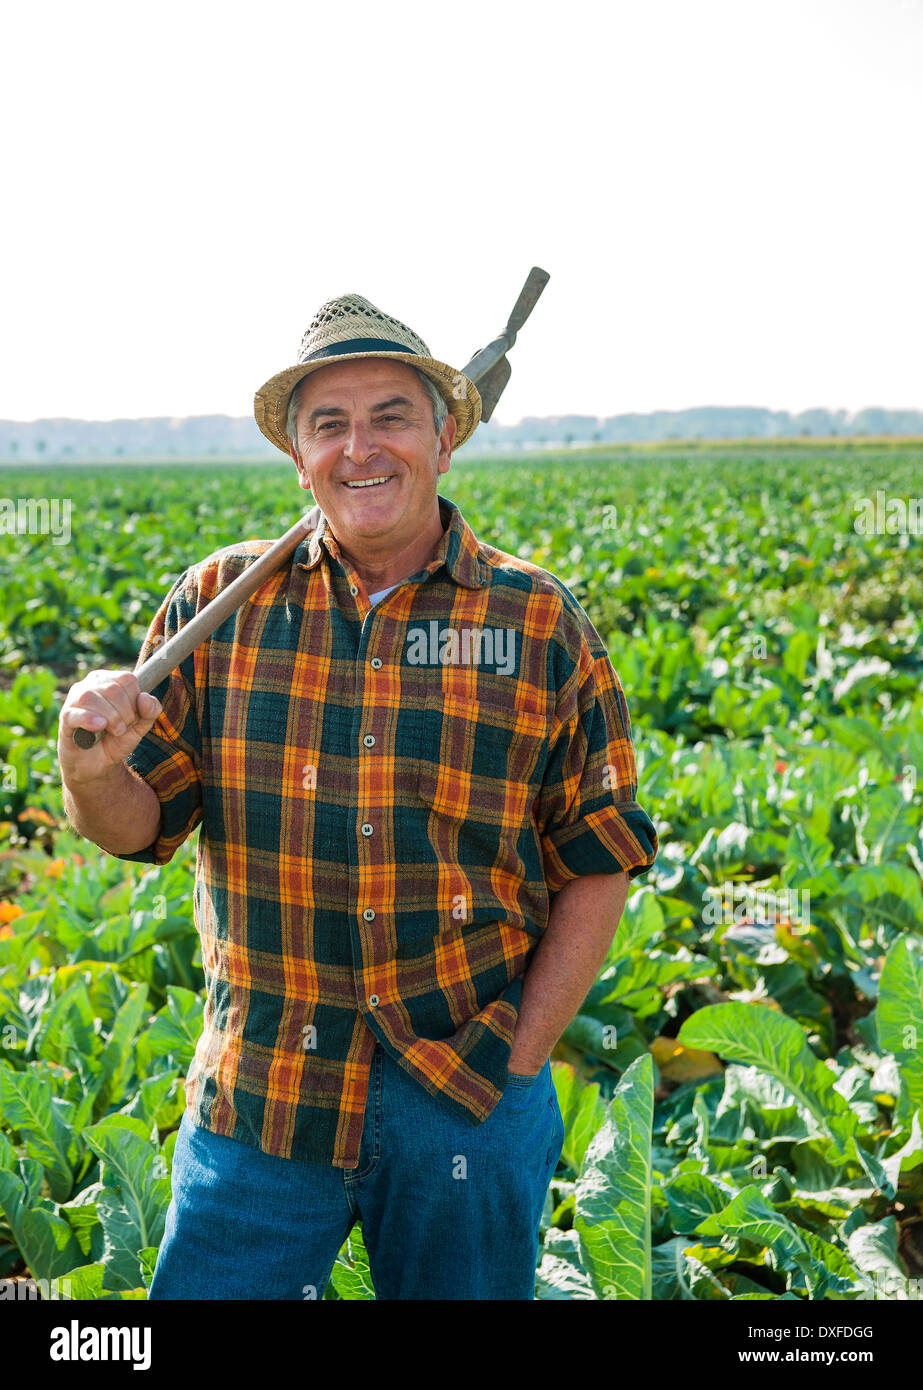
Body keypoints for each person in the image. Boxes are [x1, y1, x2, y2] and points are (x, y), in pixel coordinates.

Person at [57, 292, 659, 1300]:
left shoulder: (536, 621)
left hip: (462, 1092)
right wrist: (89, 772)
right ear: (298, 458)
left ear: (443, 438)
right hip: (263, 1097)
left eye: (389, 414)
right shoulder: (217, 605)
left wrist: (522, 1058)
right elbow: (140, 828)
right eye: (328, 424)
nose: (359, 446)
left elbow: (597, 856)